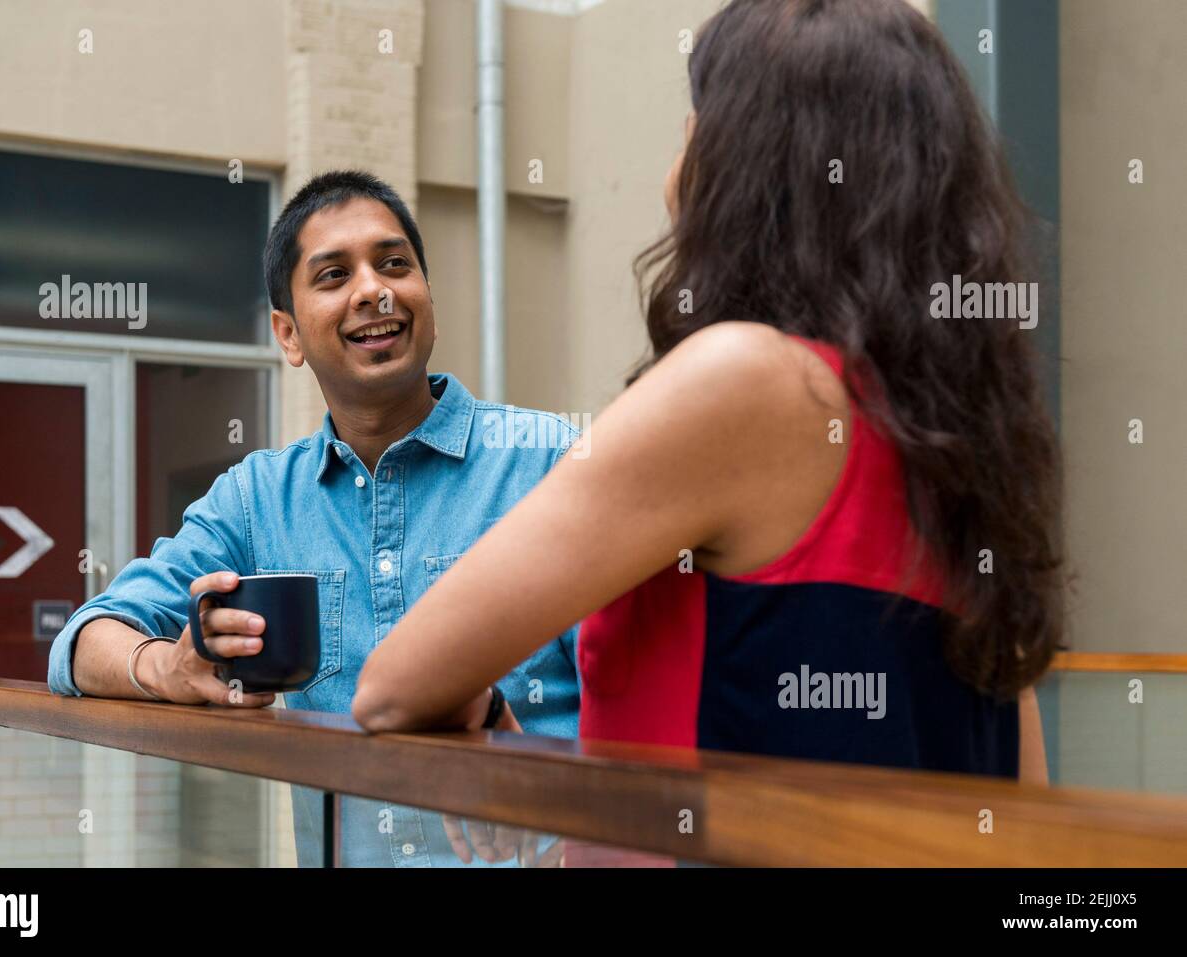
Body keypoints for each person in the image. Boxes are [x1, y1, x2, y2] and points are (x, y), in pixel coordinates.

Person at [353, 0, 1063, 801]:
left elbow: (391, 685)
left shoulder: (745, 382)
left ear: (738, 158)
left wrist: (465, 696)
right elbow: (1020, 794)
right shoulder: (960, 443)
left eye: (694, 123)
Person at [47, 170, 580, 867]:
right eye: (334, 274)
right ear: (288, 335)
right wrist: (167, 667)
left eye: (395, 264)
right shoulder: (256, 499)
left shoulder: (549, 463)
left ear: (430, 303)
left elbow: (646, 708)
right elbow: (79, 645)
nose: (373, 289)